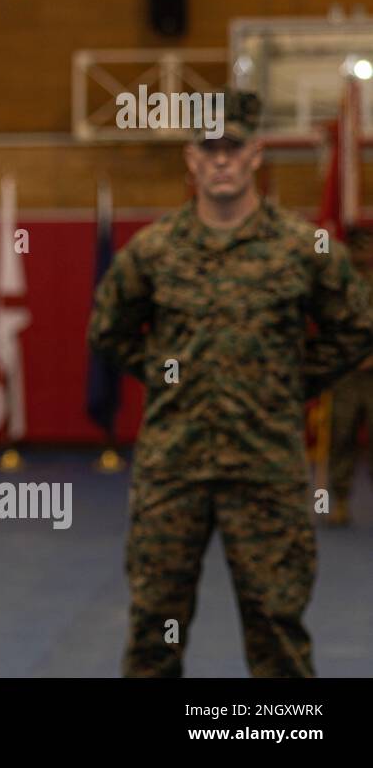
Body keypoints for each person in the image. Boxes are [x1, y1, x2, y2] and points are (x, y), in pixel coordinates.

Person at [87, 90, 373, 678]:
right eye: (209, 148)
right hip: (174, 470)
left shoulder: (300, 249)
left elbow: (357, 324)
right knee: (152, 630)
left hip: (265, 471)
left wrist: (287, 381)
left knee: (277, 630)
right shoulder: (155, 251)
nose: (221, 160)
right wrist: (173, 376)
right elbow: (108, 331)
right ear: (191, 158)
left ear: (256, 154)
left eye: (233, 147)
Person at [326, 225, 373, 526]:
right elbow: (327, 325)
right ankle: (339, 500)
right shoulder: (337, 286)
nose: (361, 253)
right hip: (346, 375)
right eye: (356, 247)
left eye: (366, 246)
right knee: (340, 437)